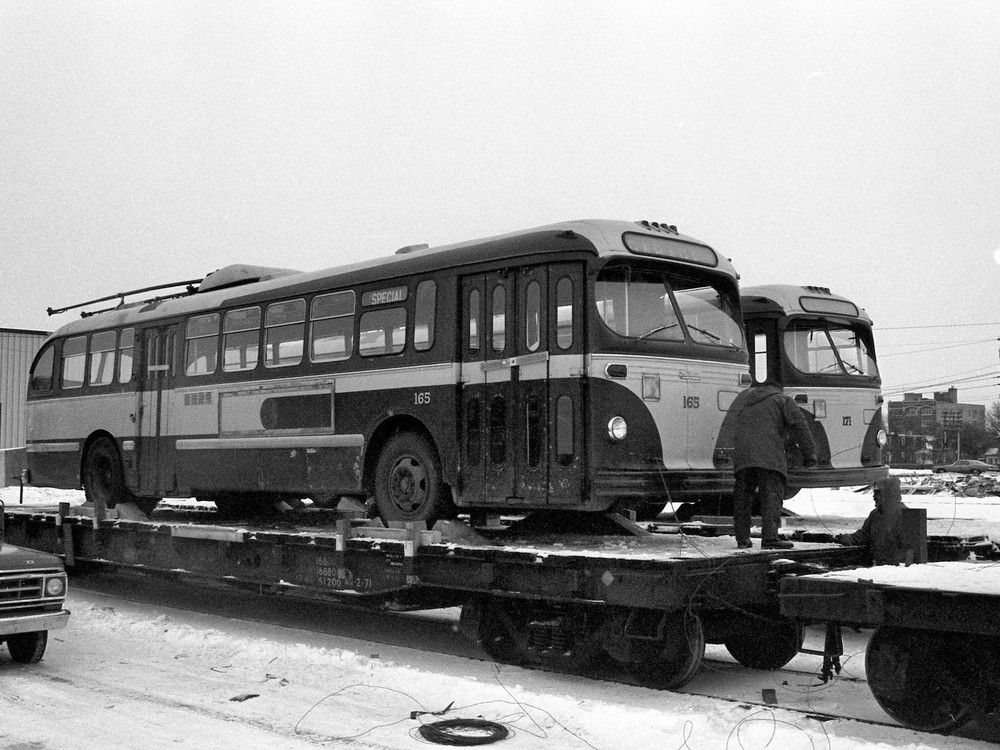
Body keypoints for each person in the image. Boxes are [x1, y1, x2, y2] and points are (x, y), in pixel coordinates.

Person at [730, 378, 817, 550]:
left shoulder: (744, 402)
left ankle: (742, 539)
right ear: (779, 388)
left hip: (742, 456)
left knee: (743, 498)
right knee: (772, 495)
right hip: (768, 455)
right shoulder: (782, 400)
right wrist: (809, 455)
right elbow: (801, 427)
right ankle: (770, 539)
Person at [837, 476, 912, 565]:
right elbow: (864, 534)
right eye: (874, 493)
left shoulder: (905, 515)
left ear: (888, 494)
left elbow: (911, 548)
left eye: (877, 493)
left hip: (896, 570)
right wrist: (849, 538)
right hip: (880, 567)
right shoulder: (875, 514)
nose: (873, 497)